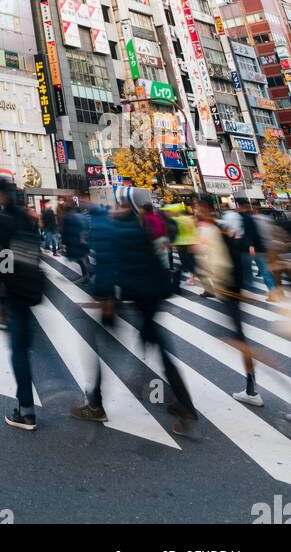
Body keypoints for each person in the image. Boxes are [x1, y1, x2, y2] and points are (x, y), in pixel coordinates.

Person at [72, 186, 198, 438]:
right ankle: (183, 405)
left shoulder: (119, 227)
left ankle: (95, 404)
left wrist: (103, 293)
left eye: (118, 203)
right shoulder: (148, 223)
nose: (114, 207)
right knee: (160, 349)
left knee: (98, 344)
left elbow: (109, 261)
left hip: (125, 296)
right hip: (151, 296)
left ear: (124, 205)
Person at [194, 197, 262, 406]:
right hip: (233, 287)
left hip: (228, 289)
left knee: (237, 338)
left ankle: (252, 390)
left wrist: (217, 285)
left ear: (203, 209)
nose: (194, 211)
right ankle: (251, 389)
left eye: (197, 208)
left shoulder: (209, 229)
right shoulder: (220, 227)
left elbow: (218, 261)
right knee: (237, 336)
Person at [0, 186, 44, 431]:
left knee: (19, 350)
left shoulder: (3, 220)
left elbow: (4, 256)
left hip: (15, 291)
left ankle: (26, 411)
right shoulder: (26, 218)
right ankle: (57, 387)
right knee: (29, 345)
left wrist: (1, 289)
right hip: (32, 286)